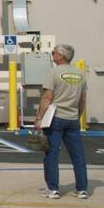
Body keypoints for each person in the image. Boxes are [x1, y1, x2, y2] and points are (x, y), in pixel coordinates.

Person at [36, 43, 89, 199]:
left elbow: (47, 98)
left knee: (52, 153)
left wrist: (39, 118)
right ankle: (82, 189)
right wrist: (77, 116)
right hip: (72, 118)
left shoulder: (54, 72)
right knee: (78, 155)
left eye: (53, 53)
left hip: (55, 118)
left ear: (60, 55)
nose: (52, 55)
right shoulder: (80, 74)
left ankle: (53, 189)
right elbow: (82, 100)